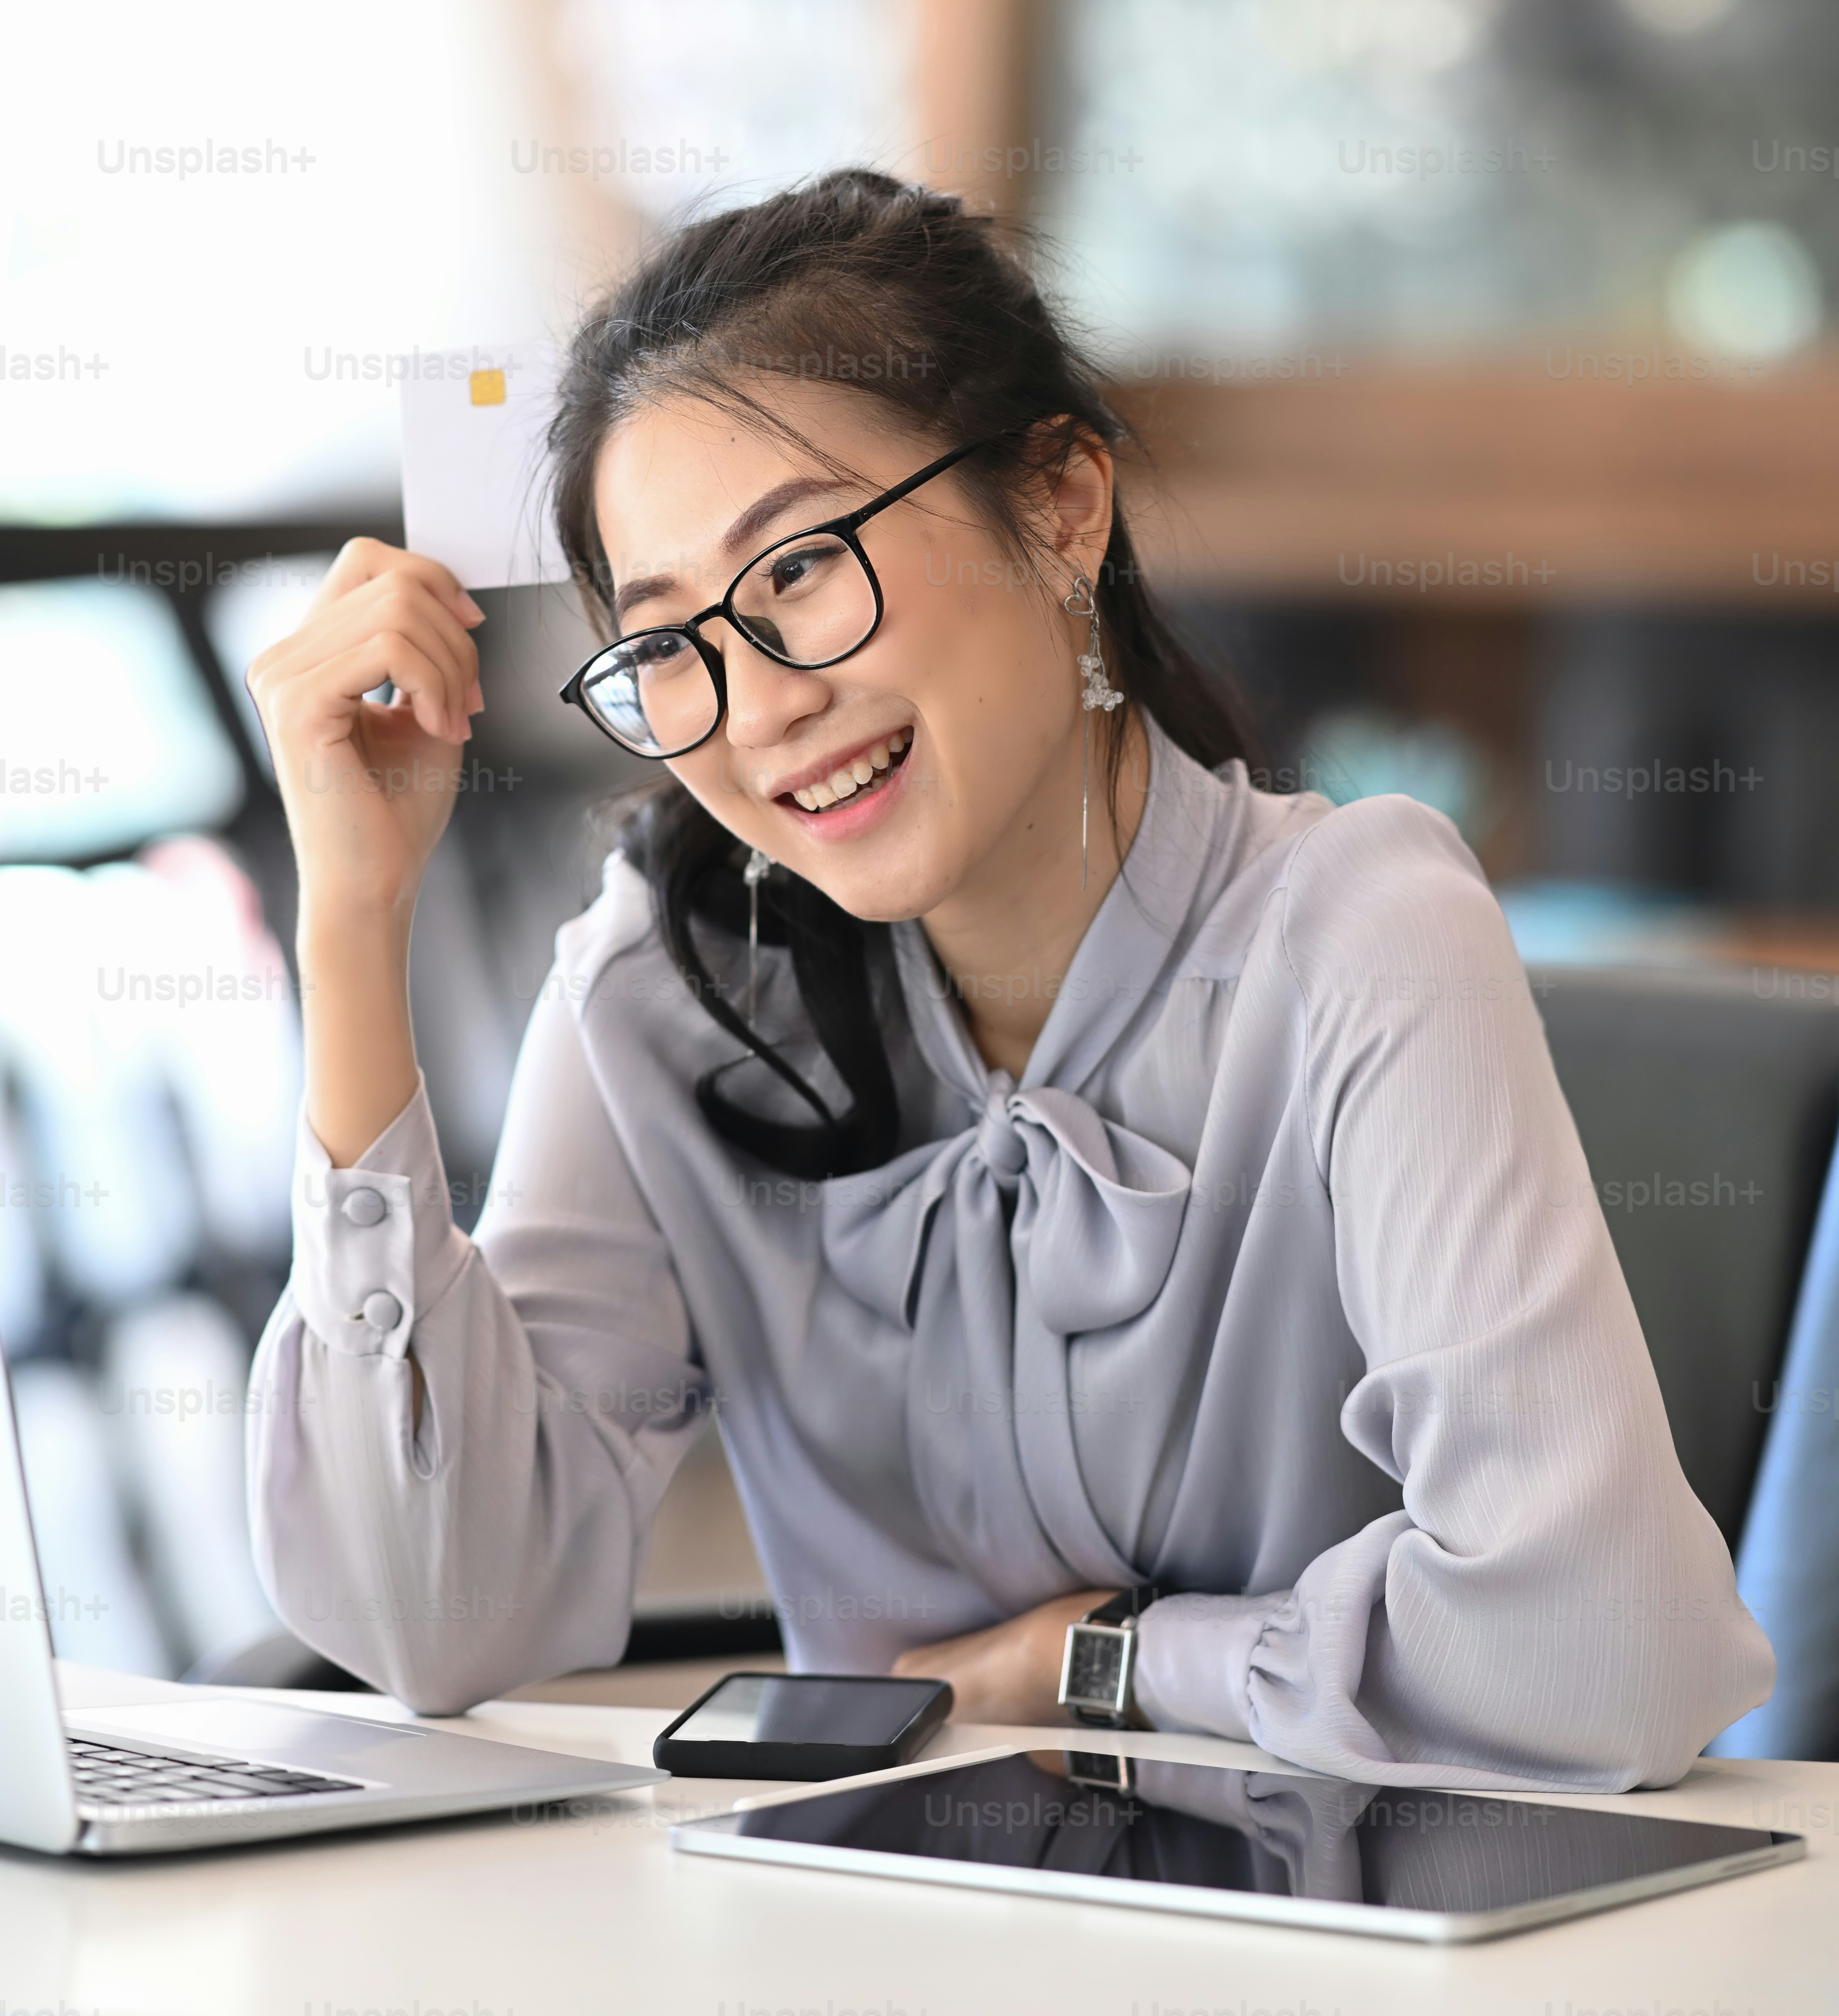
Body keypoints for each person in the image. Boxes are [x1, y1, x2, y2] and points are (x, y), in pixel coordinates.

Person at [247, 169, 1772, 1788]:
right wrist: (351, 923)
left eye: (798, 574)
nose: (754, 710)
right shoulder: (673, 988)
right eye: (672, 641)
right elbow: (434, 1621)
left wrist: (1098, 1667)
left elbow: (1601, 1648)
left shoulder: (1358, 936)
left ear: (1056, 507)